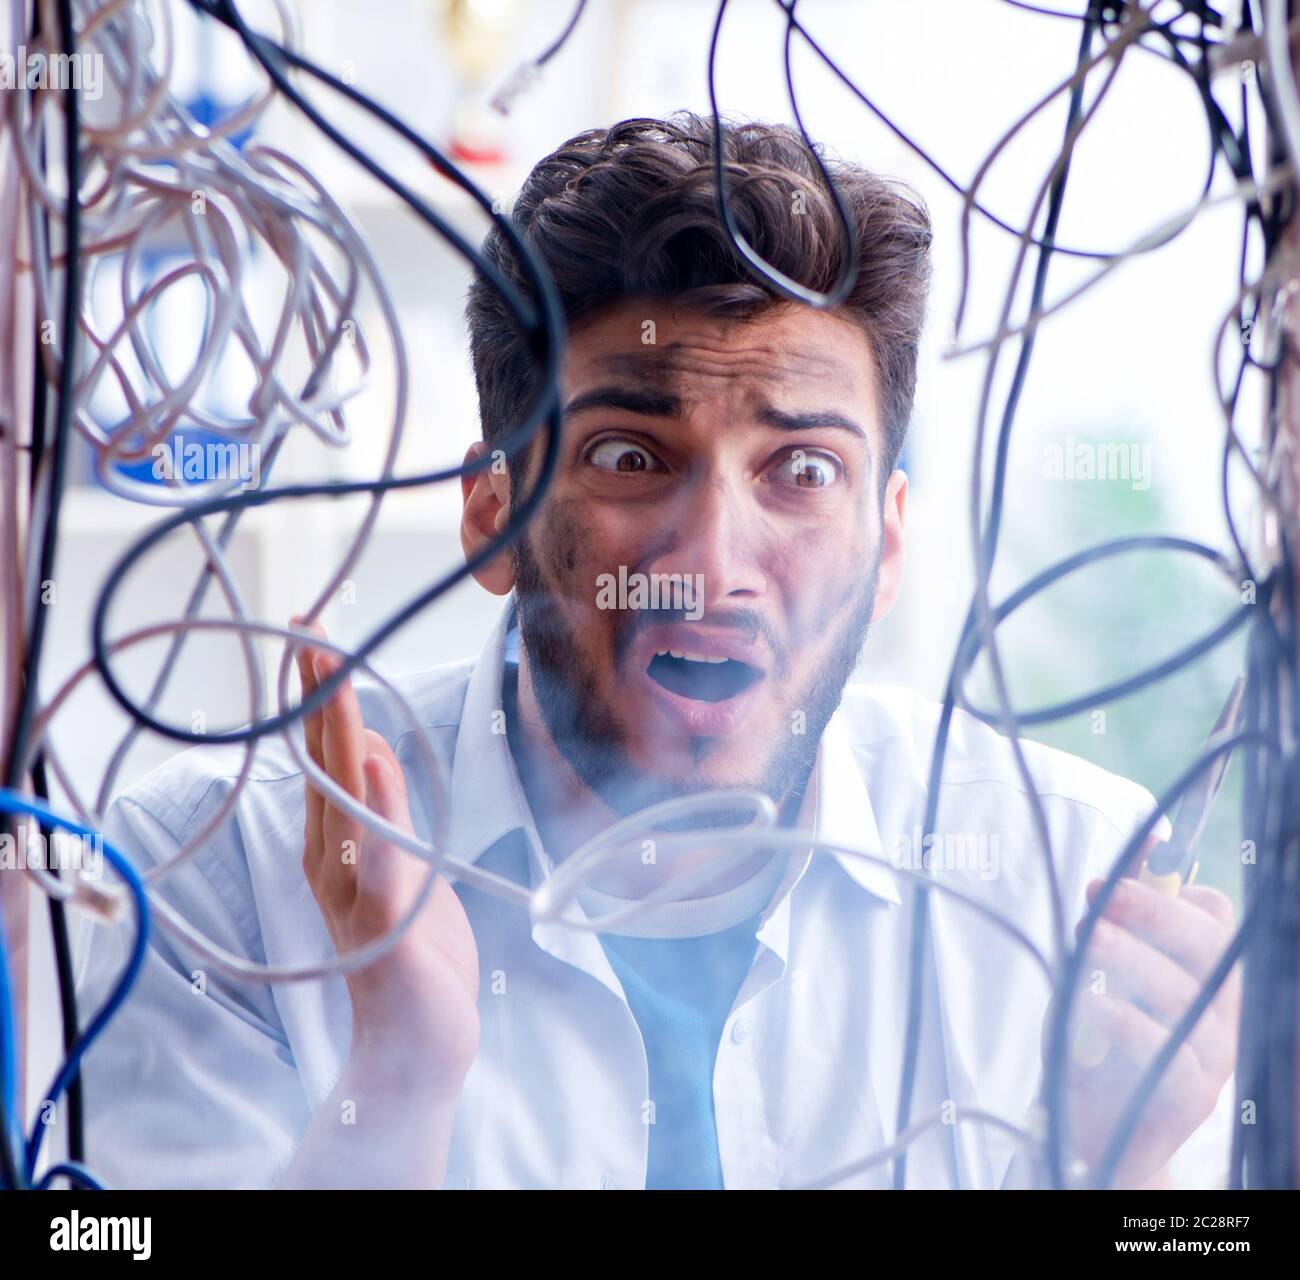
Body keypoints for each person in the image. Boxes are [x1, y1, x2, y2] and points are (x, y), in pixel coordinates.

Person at [73, 113, 1239, 1190]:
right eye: (632, 457)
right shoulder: (212, 878)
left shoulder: (1066, 886)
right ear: (492, 515)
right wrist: (396, 1084)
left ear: (886, 550)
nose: (709, 560)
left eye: (802, 469)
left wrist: (1102, 1172)